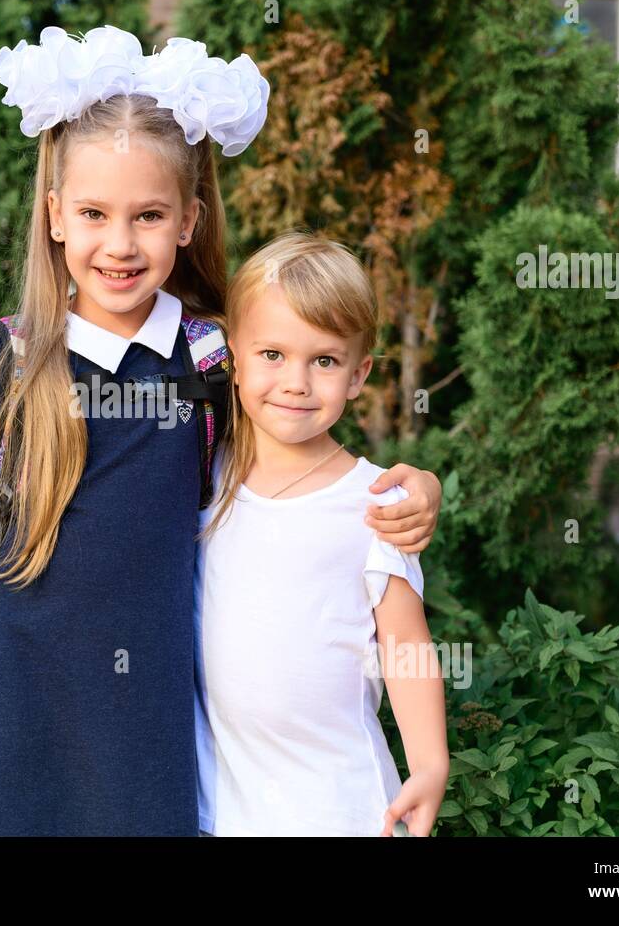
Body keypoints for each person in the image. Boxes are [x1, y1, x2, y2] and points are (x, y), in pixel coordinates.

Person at [0, 26, 444, 835]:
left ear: (188, 221)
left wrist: (415, 486)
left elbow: (298, 455)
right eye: (94, 213)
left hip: (151, 716)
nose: (120, 244)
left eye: (149, 215)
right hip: (18, 700)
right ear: (56, 214)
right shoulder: (12, 355)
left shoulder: (213, 356)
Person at [194, 233, 450, 837]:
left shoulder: (376, 503)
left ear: (358, 375)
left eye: (325, 361)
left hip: (343, 811)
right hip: (225, 811)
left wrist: (430, 763)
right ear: (234, 356)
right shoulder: (202, 474)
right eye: (273, 354)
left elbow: (406, 646)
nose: (297, 382)